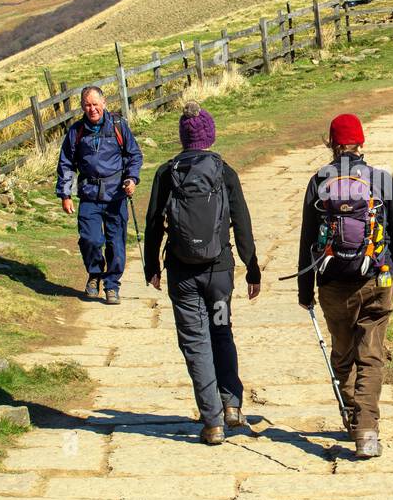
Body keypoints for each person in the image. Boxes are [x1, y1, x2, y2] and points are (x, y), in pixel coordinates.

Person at [144, 101, 261, 445]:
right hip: (219, 275)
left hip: (182, 277)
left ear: (182, 138)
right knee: (221, 332)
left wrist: (152, 266)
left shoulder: (167, 173)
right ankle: (232, 405)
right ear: (210, 136)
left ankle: (212, 424)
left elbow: (153, 224)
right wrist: (252, 268)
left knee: (196, 343)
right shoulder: (225, 172)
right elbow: (242, 222)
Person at [297, 112, 393, 460]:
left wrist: (305, 289)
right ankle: (367, 431)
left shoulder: (318, 181)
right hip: (377, 277)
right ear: (362, 142)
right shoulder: (382, 179)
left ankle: (353, 416)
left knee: (343, 353)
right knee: (371, 356)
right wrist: (391, 264)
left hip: (332, 282)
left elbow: (306, 241)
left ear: (330, 144)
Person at [55, 85, 143, 304]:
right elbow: (66, 164)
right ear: (82, 106)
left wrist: (131, 179)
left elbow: (134, 155)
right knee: (90, 239)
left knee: (116, 243)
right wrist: (66, 195)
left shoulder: (118, 126)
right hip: (89, 195)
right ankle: (94, 275)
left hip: (116, 196)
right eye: (87, 105)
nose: (92, 109)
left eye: (95, 104)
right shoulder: (76, 131)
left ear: (104, 104)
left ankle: (112, 286)